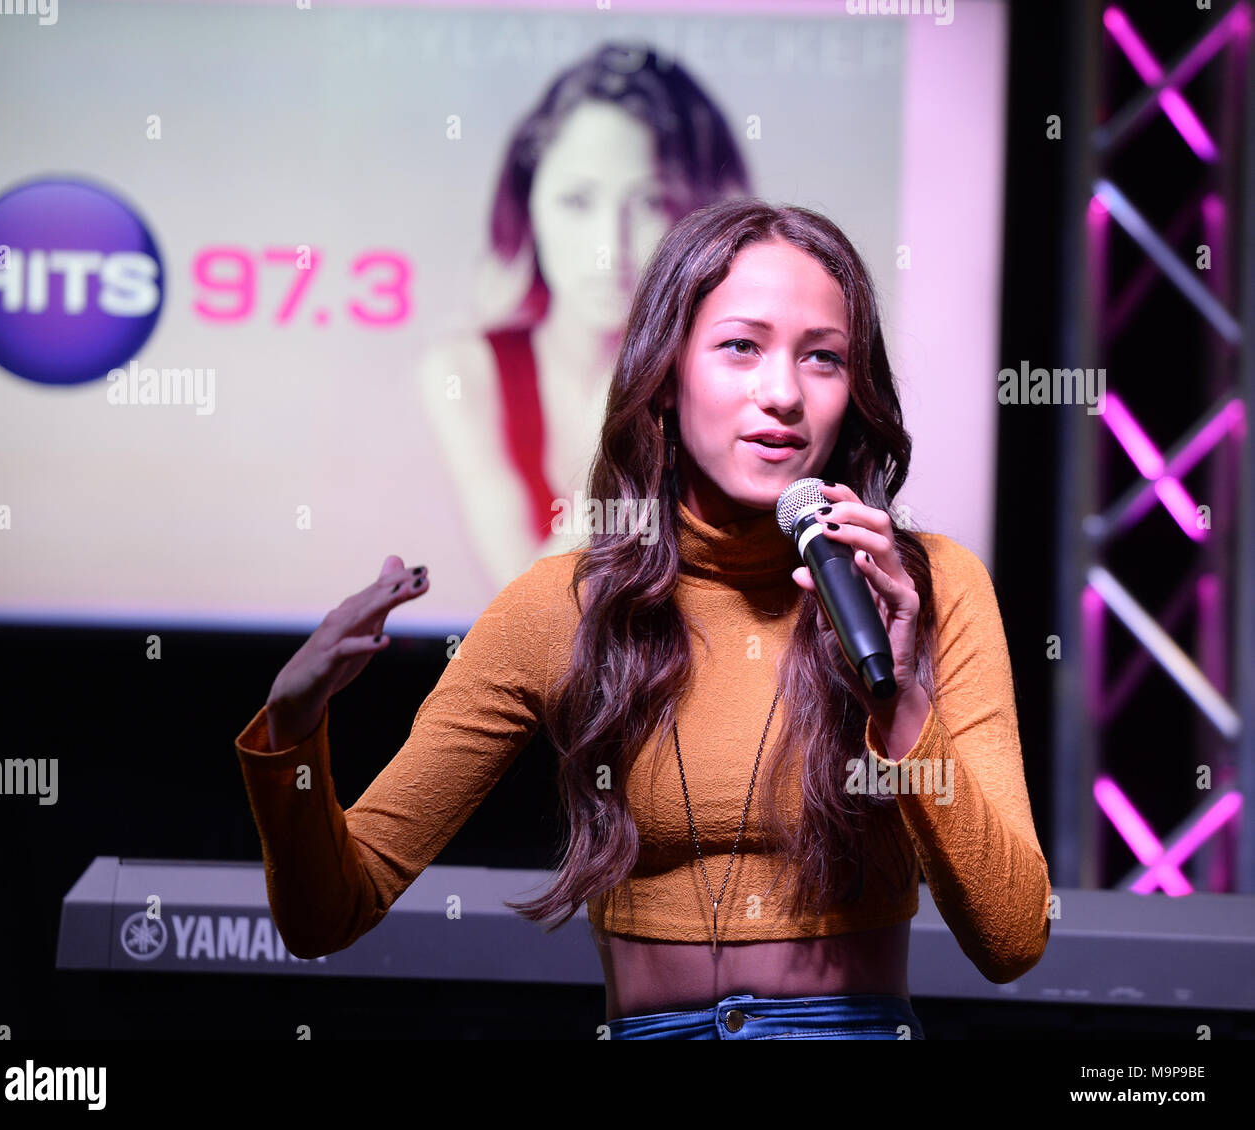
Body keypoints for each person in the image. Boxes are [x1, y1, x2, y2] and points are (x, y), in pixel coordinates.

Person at [235, 196, 1052, 1040]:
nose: (782, 395)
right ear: (665, 378)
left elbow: (1013, 937)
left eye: (823, 358)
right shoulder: (562, 608)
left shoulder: (928, 587)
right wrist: (294, 730)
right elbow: (328, 915)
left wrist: (901, 699)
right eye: (741, 347)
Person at [416, 41, 751, 589]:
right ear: (530, 205)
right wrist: (617, 434)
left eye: (649, 202)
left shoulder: (733, 372)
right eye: (576, 201)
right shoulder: (466, 371)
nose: (608, 246)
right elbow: (522, 609)